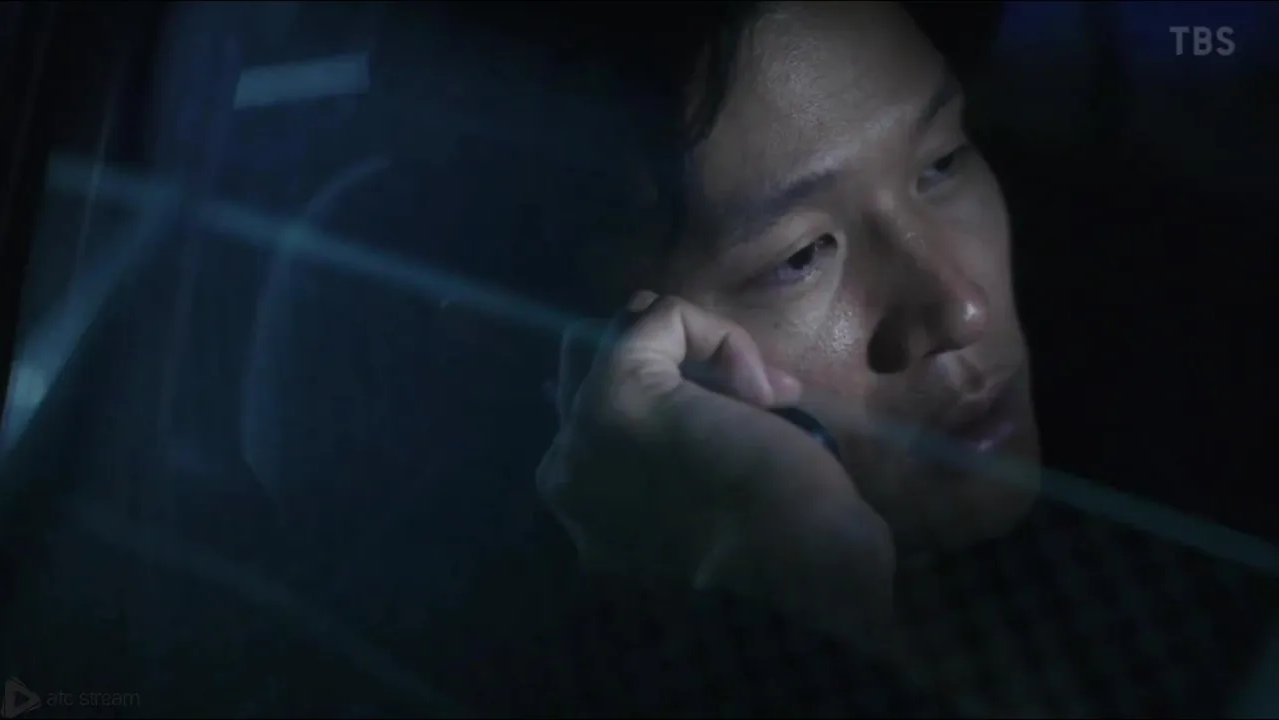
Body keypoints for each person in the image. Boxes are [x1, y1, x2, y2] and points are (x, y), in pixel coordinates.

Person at [436, 2, 1276, 716]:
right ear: (587, 364)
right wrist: (789, 630)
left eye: (941, 163)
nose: (961, 306)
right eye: (801, 256)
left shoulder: (1189, 466)